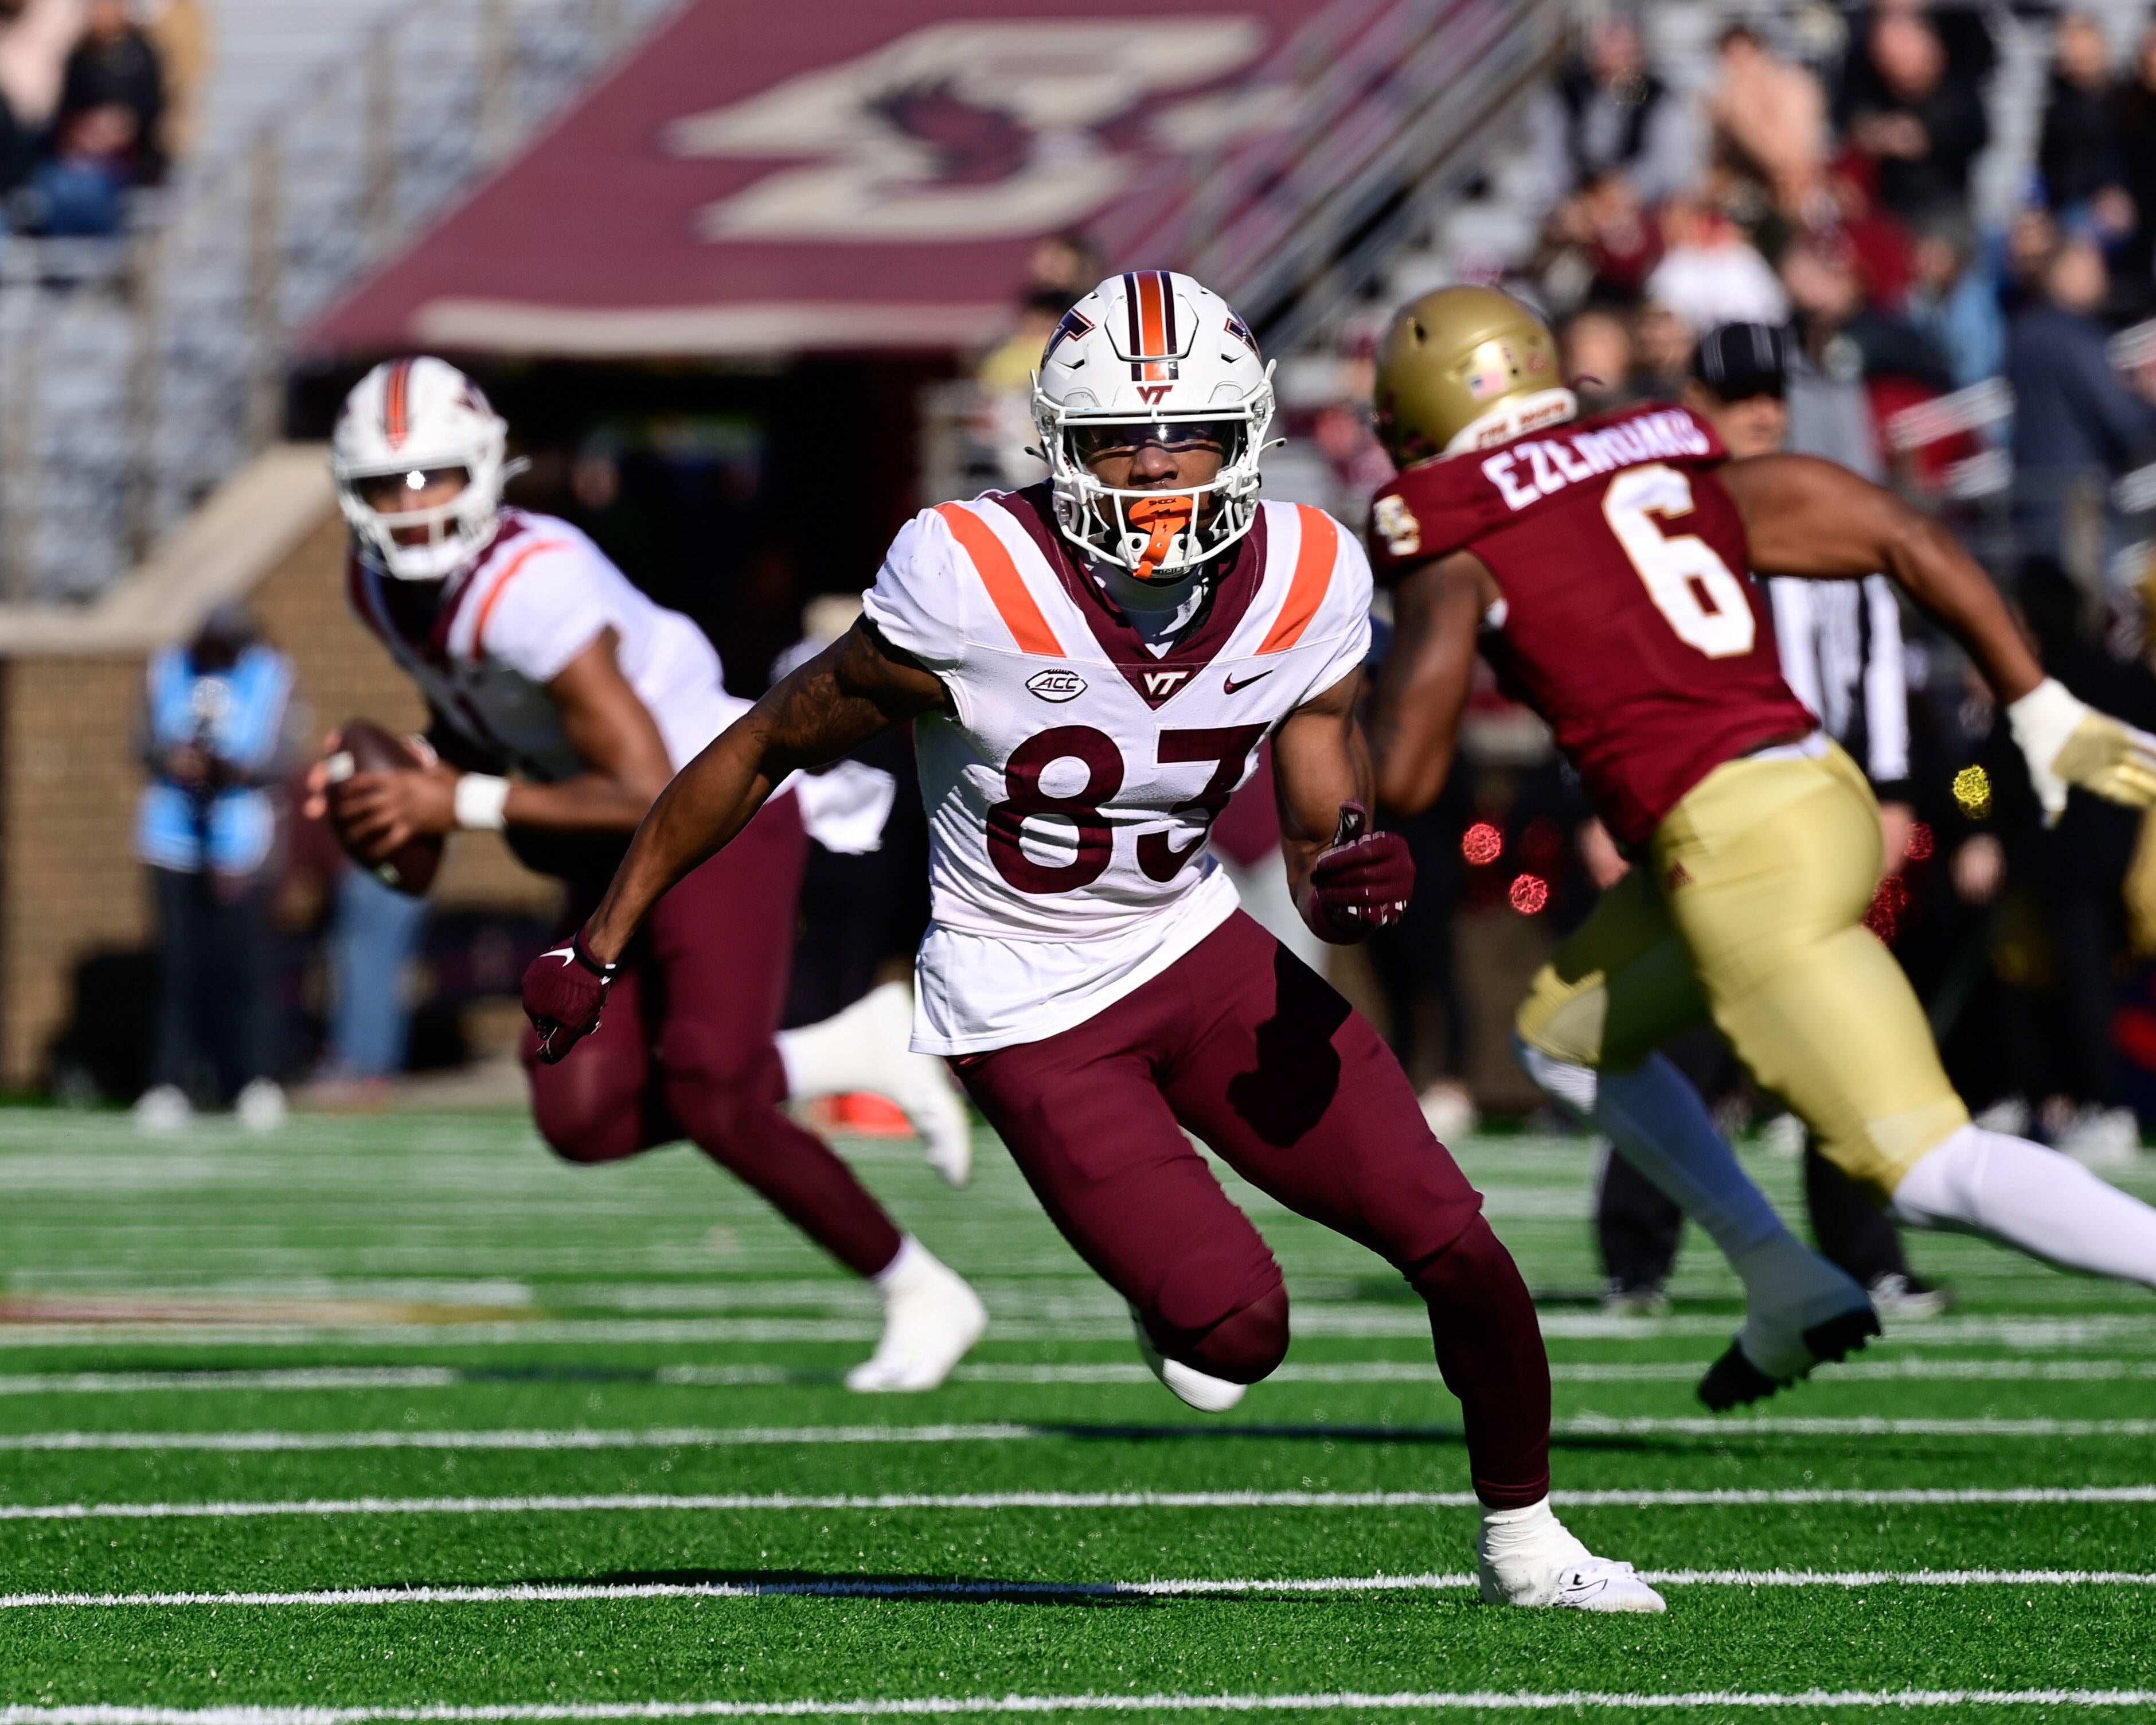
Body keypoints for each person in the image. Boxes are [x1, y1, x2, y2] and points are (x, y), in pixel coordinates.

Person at [524, 271, 1665, 1614]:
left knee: (1455, 1241)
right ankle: (1162, 1272)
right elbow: (763, 743)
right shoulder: (971, 577)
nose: (1158, 467)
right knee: (1237, 1331)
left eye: (1189, 434)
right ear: (1060, 446)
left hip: (1195, 944)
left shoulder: (1309, 572)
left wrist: (1345, 872)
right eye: (1123, 438)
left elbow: (1320, 815)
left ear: (1248, 436)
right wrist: (600, 943)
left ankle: (1526, 1542)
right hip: (1024, 1000)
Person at [1365, 286, 2156, 1411]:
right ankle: (1783, 1280)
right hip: (1813, 788)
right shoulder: (1657, 460)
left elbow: (1404, 774)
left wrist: (1324, 684)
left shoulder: (1462, 532)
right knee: (1564, 1036)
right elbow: (1899, 532)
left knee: (1928, 1167)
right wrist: (2034, 701)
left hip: (1733, 849)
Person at [314, 356, 982, 1392]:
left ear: (485, 468)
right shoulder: (378, 590)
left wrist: (457, 801)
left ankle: (920, 1288)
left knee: (716, 1093)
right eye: (386, 485)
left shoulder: (534, 584)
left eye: (431, 475)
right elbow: (486, 715)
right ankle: (843, 1050)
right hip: (606, 836)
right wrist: (415, 761)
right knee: (579, 1115)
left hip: (713, 814)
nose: (411, 505)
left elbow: (644, 785)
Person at [133, 602, 296, 1132]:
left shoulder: (272, 676)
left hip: (242, 845)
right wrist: (172, 759)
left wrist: (231, 769)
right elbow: (139, 742)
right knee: (179, 969)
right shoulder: (167, 670)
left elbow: (288, 755)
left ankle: (252, 1079)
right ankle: (170, 1083)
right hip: (172, 840)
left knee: (245, 970)